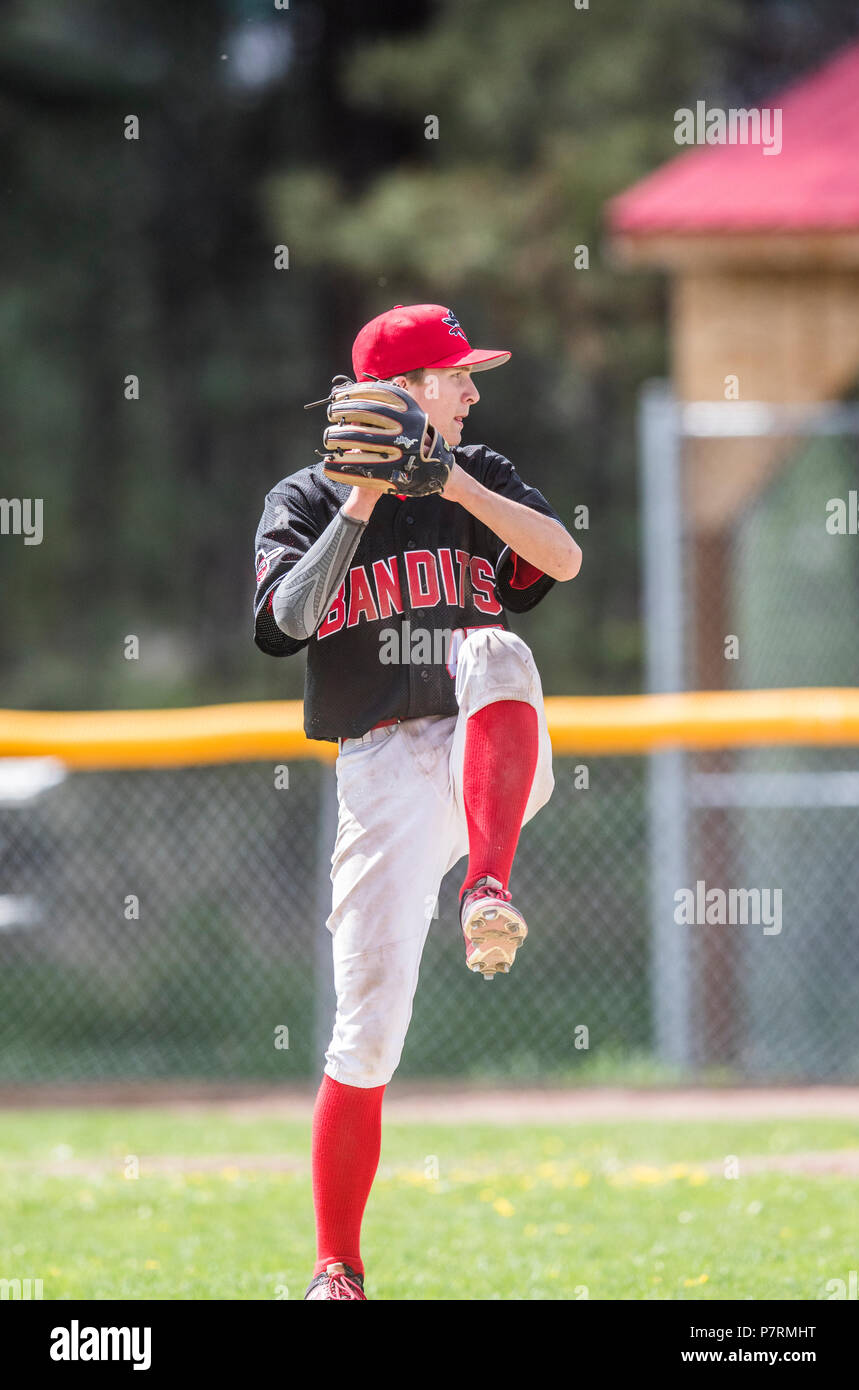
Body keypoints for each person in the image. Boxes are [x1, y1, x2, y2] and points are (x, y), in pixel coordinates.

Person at [252, 303, 582, 1300]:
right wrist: (356, 503)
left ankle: (488, 885)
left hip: (487, 751)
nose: (473, 391)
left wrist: (453, 480)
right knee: (365, 1028)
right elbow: (281, 624)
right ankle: (336, 1269)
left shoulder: (477, 480)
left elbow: (559, 560)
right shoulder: (304, 497)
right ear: (400, 394)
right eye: (455, 376)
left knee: (495, 648)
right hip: (382, 771)